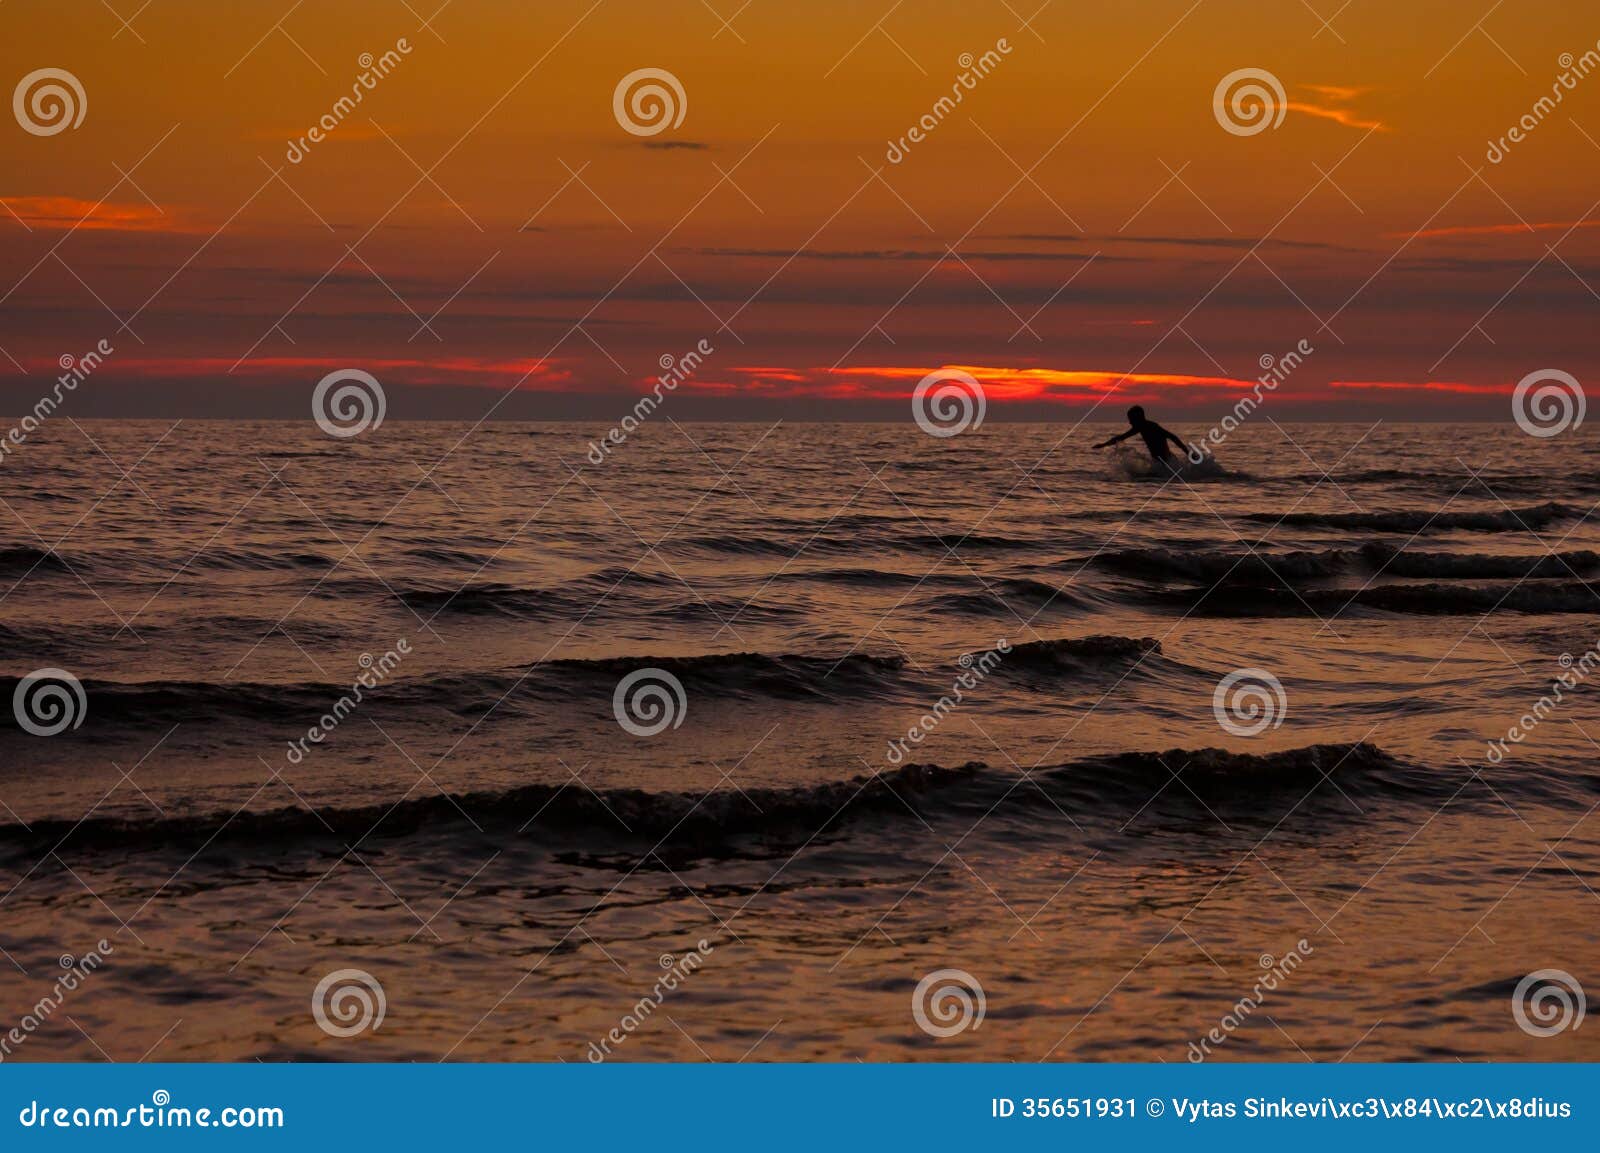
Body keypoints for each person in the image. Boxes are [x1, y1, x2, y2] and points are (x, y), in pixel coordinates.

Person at [1092, 405, 1190, 466]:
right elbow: (1121, 437)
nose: (1130, 422)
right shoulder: (1140, 427)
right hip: (1160, 462)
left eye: (1131, 419)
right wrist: (1103, 445)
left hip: (1167, 462)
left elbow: (1173, 437)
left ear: (1138, 418)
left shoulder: (1152, 426)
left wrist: (1188, 453)